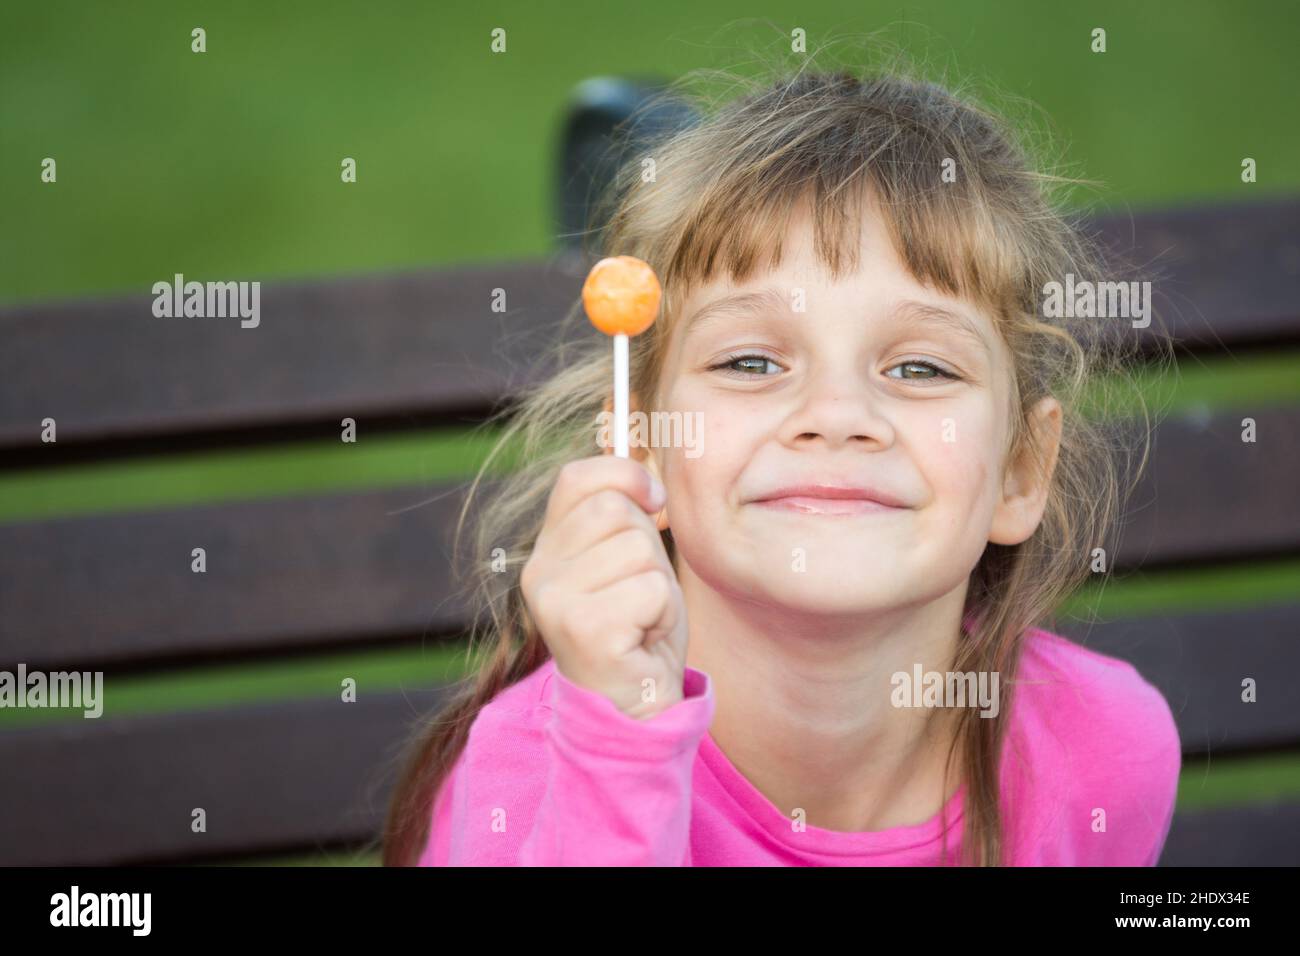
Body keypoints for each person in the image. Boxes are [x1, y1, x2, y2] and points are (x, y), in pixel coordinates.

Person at [382, 62, 1181, 867]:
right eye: (752, 363)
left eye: (920, 369)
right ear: (640, 445)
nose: (836, 417)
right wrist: (619, 751)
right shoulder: (530, 779)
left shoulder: (1101, 748)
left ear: (1020, 470)